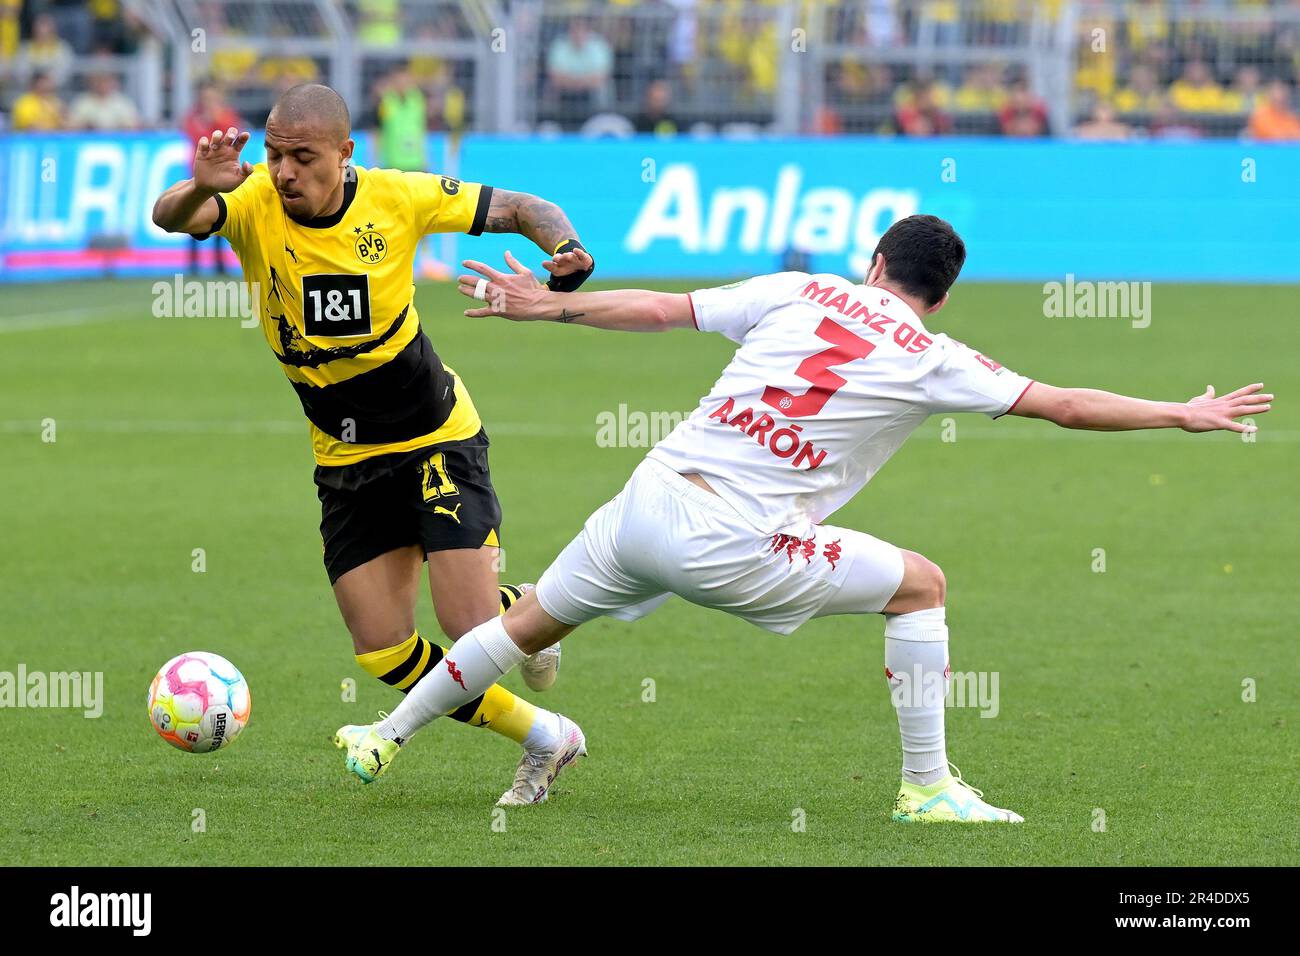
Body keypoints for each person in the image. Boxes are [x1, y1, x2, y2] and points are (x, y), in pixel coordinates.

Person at [347, 215, 1271, 821]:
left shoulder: (798, 288)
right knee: (921, 585)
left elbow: (664, 309)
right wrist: (1181, 413)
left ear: (871, 263)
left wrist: (551, 307)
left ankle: (382, 739)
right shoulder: (934, 353)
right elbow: (1063, 403)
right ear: (939, 295)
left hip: (648, 500)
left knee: (526, 621)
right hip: (735, 544)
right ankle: (927, 787)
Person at [150, 83, 597, 805]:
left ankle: (524, 618)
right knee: (384, 648)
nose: (285, 171)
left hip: (433, 438)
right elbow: (171, 217)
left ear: (344, 154)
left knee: (472, 631)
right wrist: (198, 185)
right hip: (344, 459)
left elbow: (521, 207)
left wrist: (567, 249)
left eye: (302, 156)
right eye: (274, 155)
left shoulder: (398, 197)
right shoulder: (255, 199)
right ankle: (547, 731)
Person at [182, 81, 244, 274]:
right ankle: (193, 264)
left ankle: (219, 264)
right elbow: (194, 137)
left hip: (220, 173)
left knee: (218, 214)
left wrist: (213, 120)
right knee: (192, 214)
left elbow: (231, 133)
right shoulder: (193, 118)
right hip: (198, 173)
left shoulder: (225, 116)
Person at [66, 71, 141, 131]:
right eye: (99, 81)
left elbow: (134, 125)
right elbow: (70, 126)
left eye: (106, 81)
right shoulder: (82, 101)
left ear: (114, 83)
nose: (103, 85)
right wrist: (87, 127)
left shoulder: (123, 102)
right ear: (92, 83)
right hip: (87, 142)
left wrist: (117, 127)